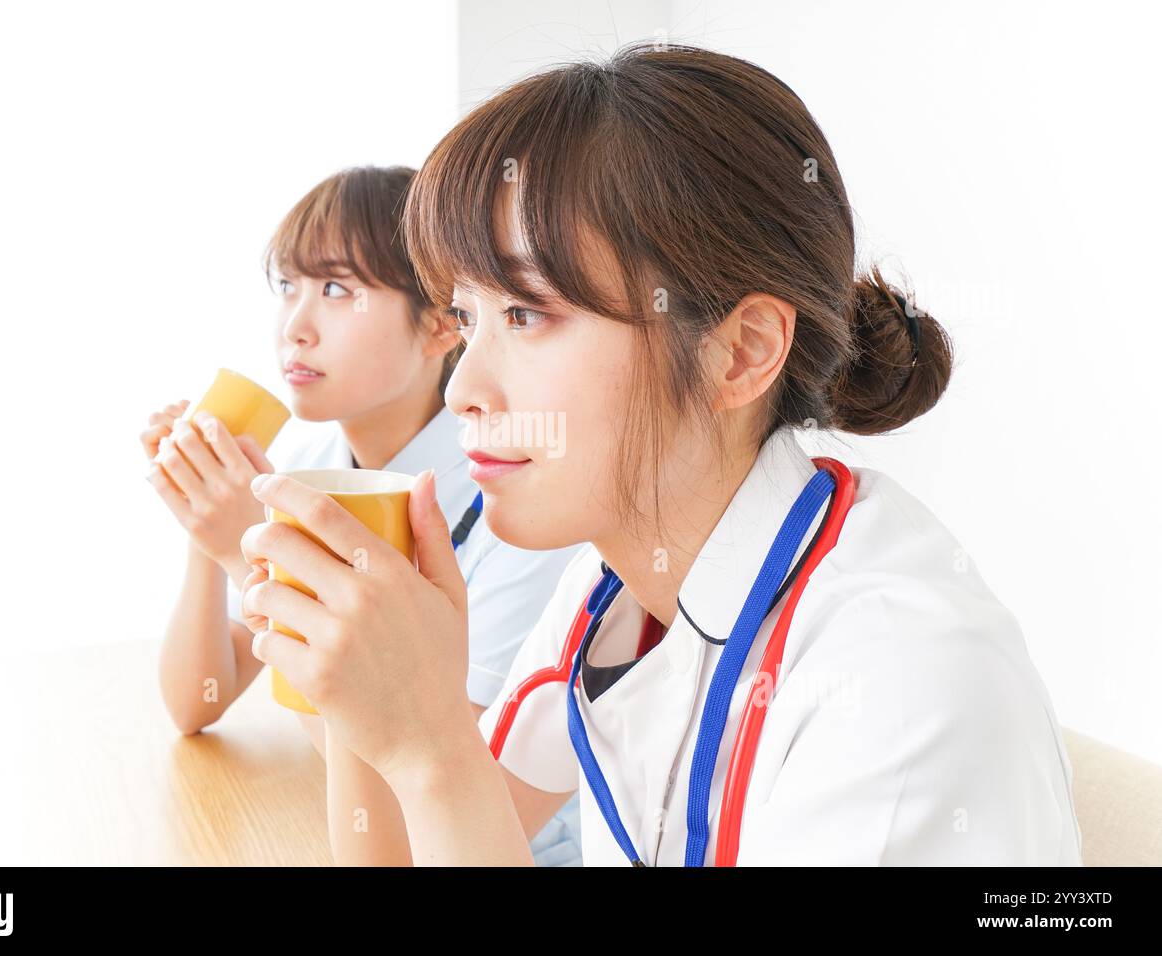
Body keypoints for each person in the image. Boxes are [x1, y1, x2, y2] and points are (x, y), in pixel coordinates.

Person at [238, 46, 1082, 865]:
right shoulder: (612, 587)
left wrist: (431, 749)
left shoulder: (900, 683)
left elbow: (448, 792)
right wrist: (363, 699)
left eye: (527, 314)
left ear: (741, 352)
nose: (464, 388)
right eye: (468, 318)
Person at [141, 165, 585, 865]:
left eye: (337, 290)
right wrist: (209, 526)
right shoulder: (312, 457)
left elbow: (421, 799)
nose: (296, 326)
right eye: (287, 286)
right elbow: (196, 702)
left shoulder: (517, 506)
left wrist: (245, 558)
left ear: (444, 326)